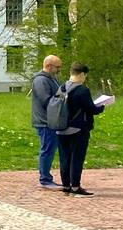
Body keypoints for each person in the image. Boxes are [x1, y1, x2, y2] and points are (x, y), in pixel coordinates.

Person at [57, 62, 105, 196]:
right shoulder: (82, 90)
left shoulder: (61, 88)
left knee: (64, 157)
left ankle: (66, 185)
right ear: (82, 74)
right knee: (76, 158)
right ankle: (75, 187)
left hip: (60, 128)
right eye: (85, 76)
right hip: (78, 129)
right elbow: (91, 109)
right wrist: (102, 106)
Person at [30, 55, 63, 188]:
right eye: (57, 67)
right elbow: (47, 101)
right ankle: (45, 179)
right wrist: (62, 99)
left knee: (50, 149)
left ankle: (46, 178)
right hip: (44, 121)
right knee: (47, 149)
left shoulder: (51, 79)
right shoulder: (41, 80)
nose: (59, 70)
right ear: (49, 66)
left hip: (52, 120)